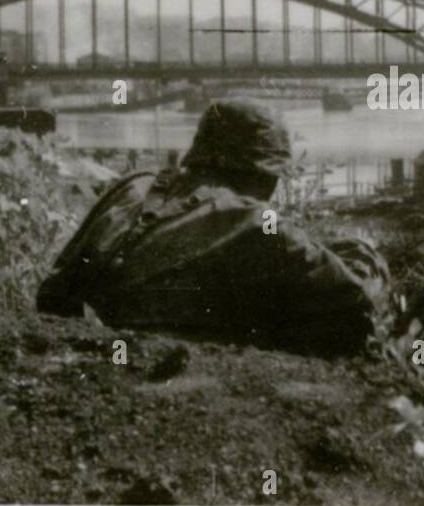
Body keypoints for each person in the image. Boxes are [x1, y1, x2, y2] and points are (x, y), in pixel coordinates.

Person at [37, 99, 388, 357]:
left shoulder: (134, 187)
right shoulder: (249, 218)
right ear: (263, 175)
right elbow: (356, 300)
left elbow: (52, 294)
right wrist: (365, 255)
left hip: (107, 350)